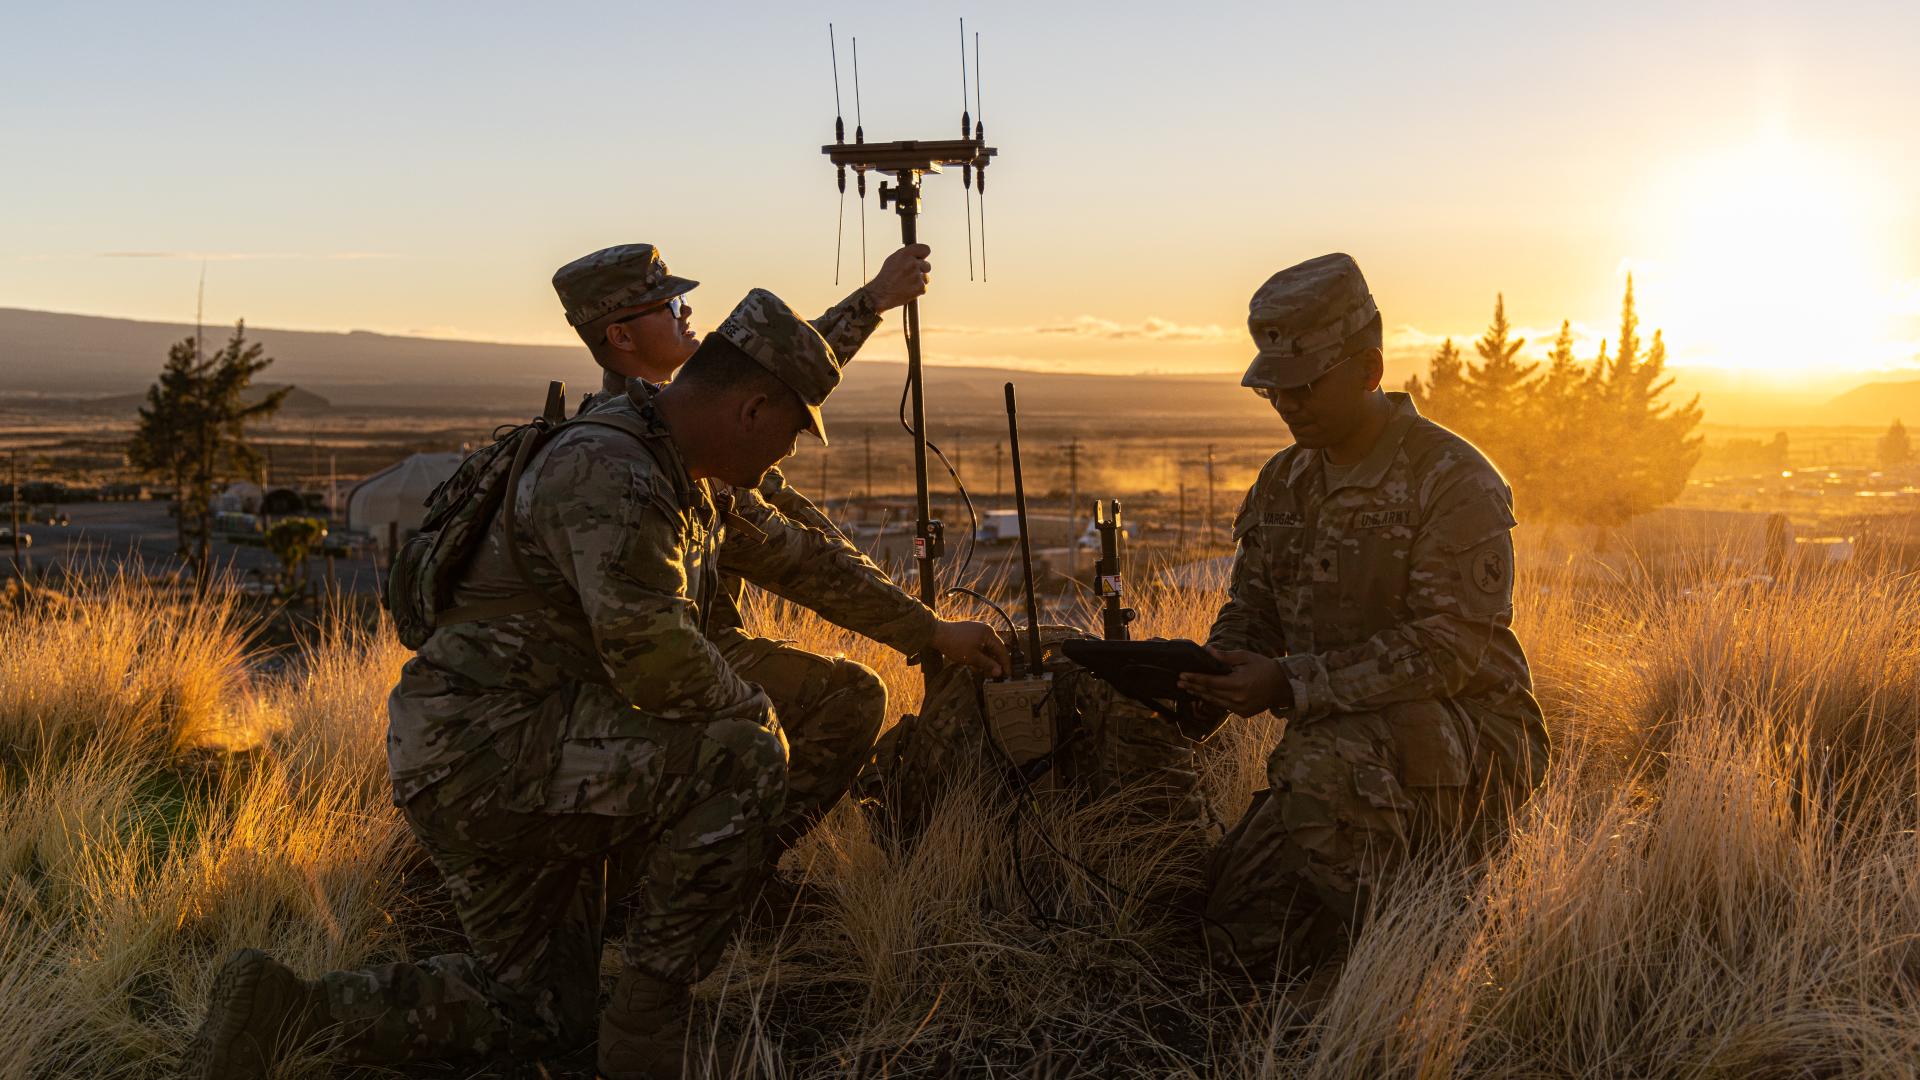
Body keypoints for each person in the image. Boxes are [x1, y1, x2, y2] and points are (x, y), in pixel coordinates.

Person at [190, 288, 1009, 1079]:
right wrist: (751, 741)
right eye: (791, 434)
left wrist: (930, 632)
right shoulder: (609, 470)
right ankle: (649, 1029)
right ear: (752, 409)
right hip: (490, 762)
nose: (786, 457)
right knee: (743, 752)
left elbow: (802, 561)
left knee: (542, 1014)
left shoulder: (676, 463)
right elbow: (655, 658)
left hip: (529, 751)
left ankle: (285, 1015)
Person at [1178, 253, 1549, 977]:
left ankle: (1432, 958)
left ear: (1369, 369)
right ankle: (1355, 926)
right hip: (1347, 743)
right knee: (1231, 932)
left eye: (1305, 386)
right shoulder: (1283, 481)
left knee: (1317, 768)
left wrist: (1290, 684)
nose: (1287, 404)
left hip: (1473, 740)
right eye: (1274, 389)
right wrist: (1211, 670)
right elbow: (1254, 609)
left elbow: (1449, 650)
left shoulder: (1451, 478)